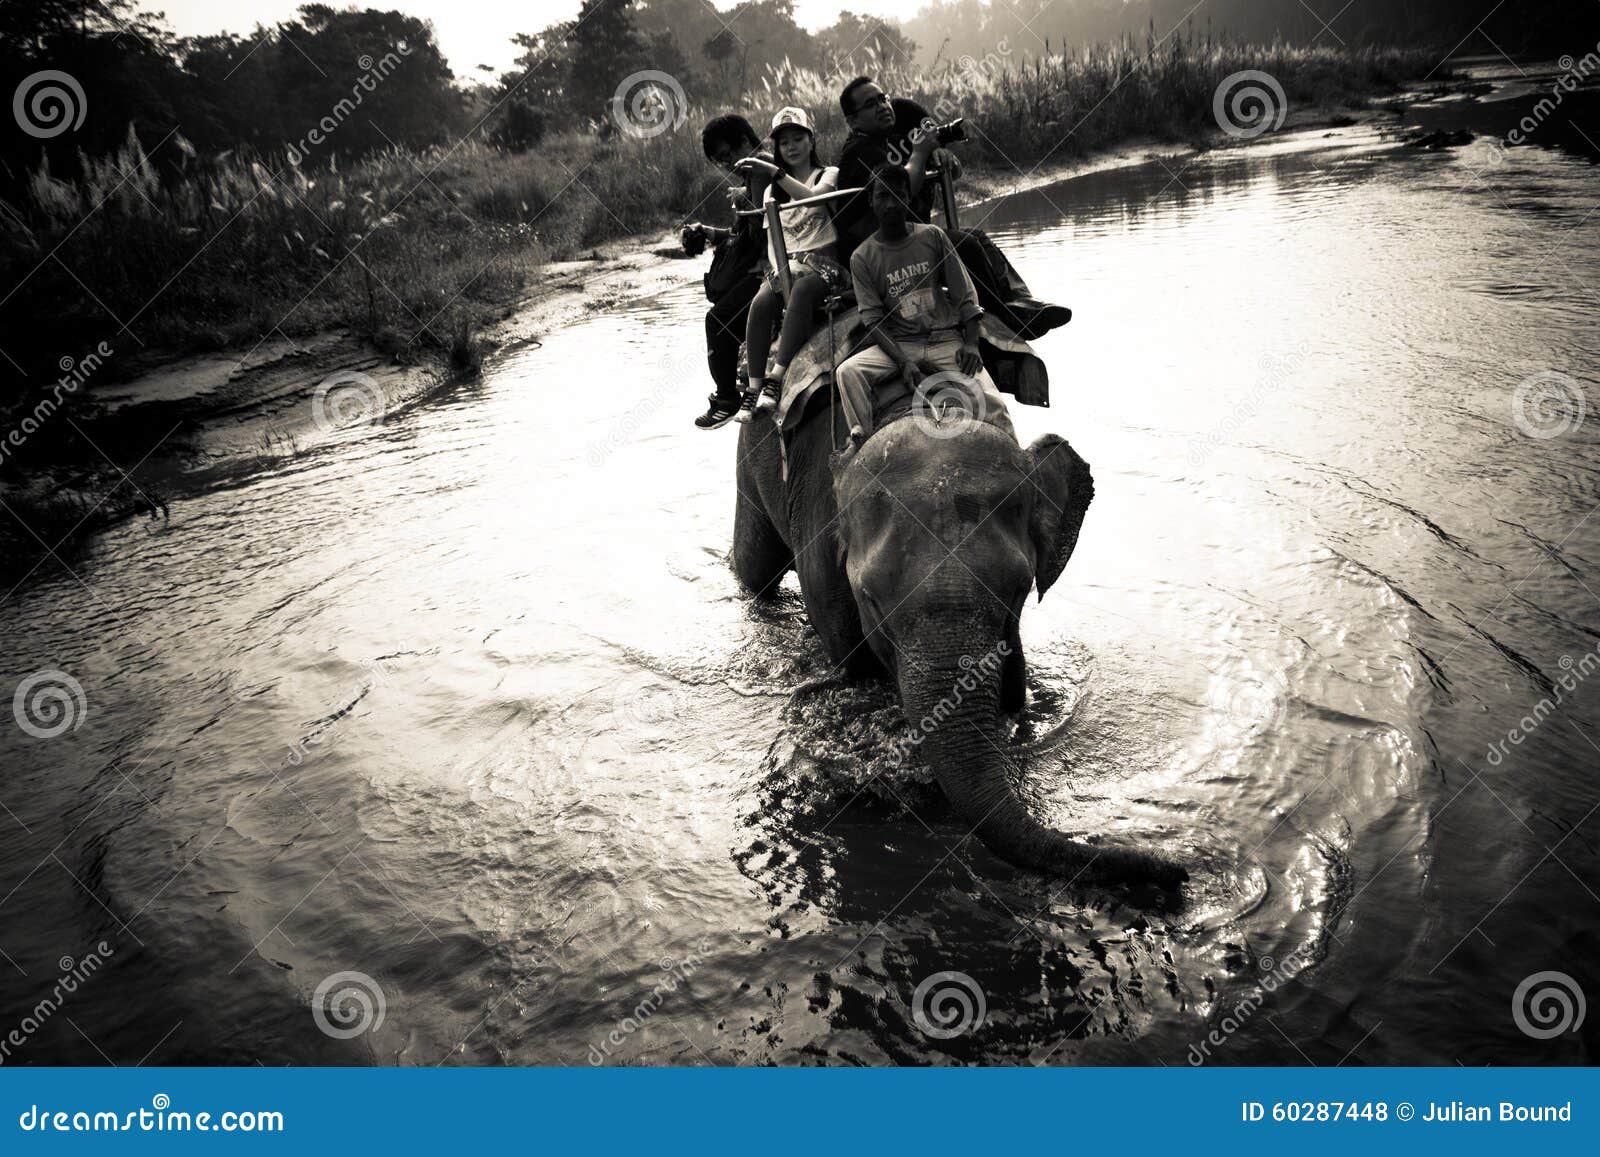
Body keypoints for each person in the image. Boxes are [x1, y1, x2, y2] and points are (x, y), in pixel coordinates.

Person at [833, 75, 1070, 342]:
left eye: (882, 99)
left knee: (978, 237)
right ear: (853, 121)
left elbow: (949, 170)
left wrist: (937, 153)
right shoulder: (860, 151)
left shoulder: (891, 139)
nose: (882, 107)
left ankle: (1022, 302)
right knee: (965, 246)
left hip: (902, 235)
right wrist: (920, 153)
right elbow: (900, 193)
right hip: (878, 249)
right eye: (870, 104)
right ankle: (1002, 320)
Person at [836, 165, 1013, 444]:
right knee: (847, 372)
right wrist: (903, 361)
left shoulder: (932, 236)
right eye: (883, 196)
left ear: (908, 198)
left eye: (898, 195)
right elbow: (873, 320)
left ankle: (1017, 458)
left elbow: (965, 295)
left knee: (994, 406)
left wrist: (971, 344)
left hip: (944, 339)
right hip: (902, 343)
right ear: (871, 200)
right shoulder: (862, 257)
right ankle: (863, 443)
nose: (891, 204)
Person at [730, 107, 849, 422]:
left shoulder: (828, 174)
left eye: (798, 139)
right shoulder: (773, 191)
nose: (792, 147)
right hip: (789, 265)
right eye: (784, 143)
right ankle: (753, 387)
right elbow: (773, 240)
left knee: (804, 289)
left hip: (825, 265)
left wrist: (774, 172)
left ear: (811, 141)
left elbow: (813, 198)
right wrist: (780, 272)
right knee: (762, 300)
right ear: (777, 148)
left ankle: (777, 376)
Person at [681, 115, 770, 429]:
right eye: (720, 161)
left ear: (745, 142)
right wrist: (710, 232)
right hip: (759, 265)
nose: (727, 165)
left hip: (769, 270)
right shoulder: (752, 174)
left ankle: (726, 397)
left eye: (727, 155)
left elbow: (764, 226)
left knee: (717, 320)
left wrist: (745, 199)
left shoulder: (760, 170)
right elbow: (740, 235)